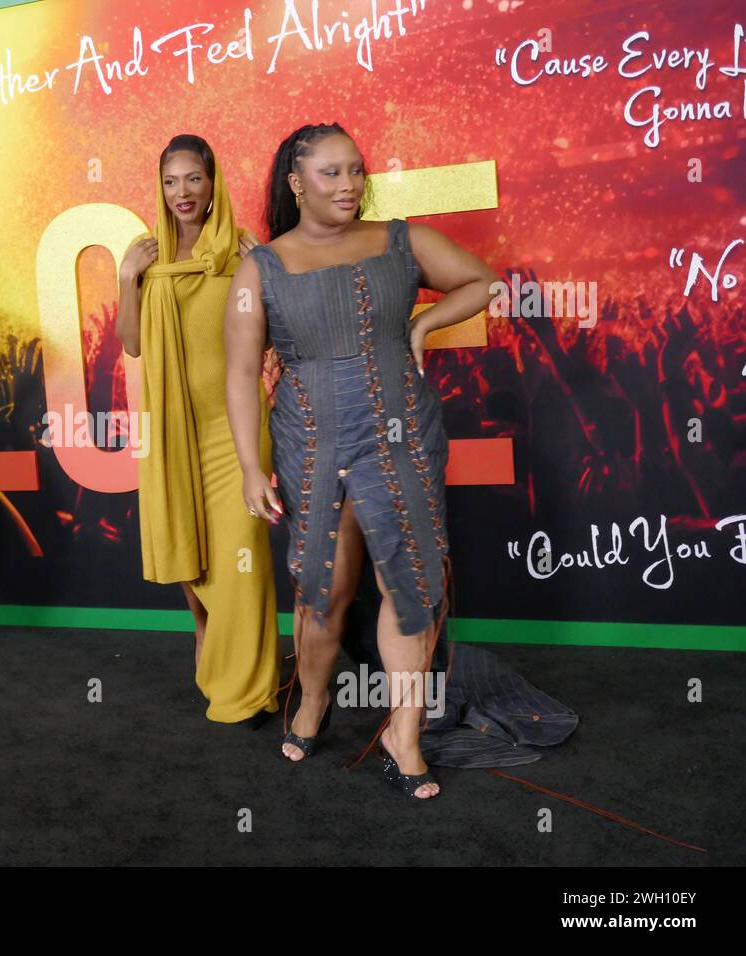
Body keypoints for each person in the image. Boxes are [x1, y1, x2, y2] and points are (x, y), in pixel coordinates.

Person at [225, 124, 498, 798]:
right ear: (296, 182)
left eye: (355, 171)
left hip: (400, 431)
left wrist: (423, 325)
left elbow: (484, 282)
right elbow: (237, 373)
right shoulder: (261, 266)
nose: (348, 186)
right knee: (325, 588)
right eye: (330, 174)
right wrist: (251, 468)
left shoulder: (400, 240)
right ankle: (313, 699)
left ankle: (404, 736)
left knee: (409, 584)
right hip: (311, 436)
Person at [117, 135, 281, 724]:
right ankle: (208, 643)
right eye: (170, 181)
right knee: (195, 555)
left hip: (236, 430)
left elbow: (272, 336)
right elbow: (132, 343)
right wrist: (127, 278)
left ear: (213, 184)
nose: (182, 192)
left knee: (244, 560)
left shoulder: (244, 254)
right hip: (173, 431)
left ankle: (251, 688)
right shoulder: (147, 255)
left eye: (193, 179)